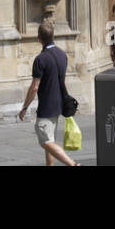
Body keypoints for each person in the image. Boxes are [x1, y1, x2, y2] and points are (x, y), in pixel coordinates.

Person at [18, 20, 79, 167]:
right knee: (50, 140)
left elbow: (34, 87)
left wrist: (25, 107)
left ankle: (72, 164)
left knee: (45, 141)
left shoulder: (40, 59)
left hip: (46, 106)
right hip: (58, 105)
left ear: (39, 39)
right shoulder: (62, 55)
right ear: (53, 36)